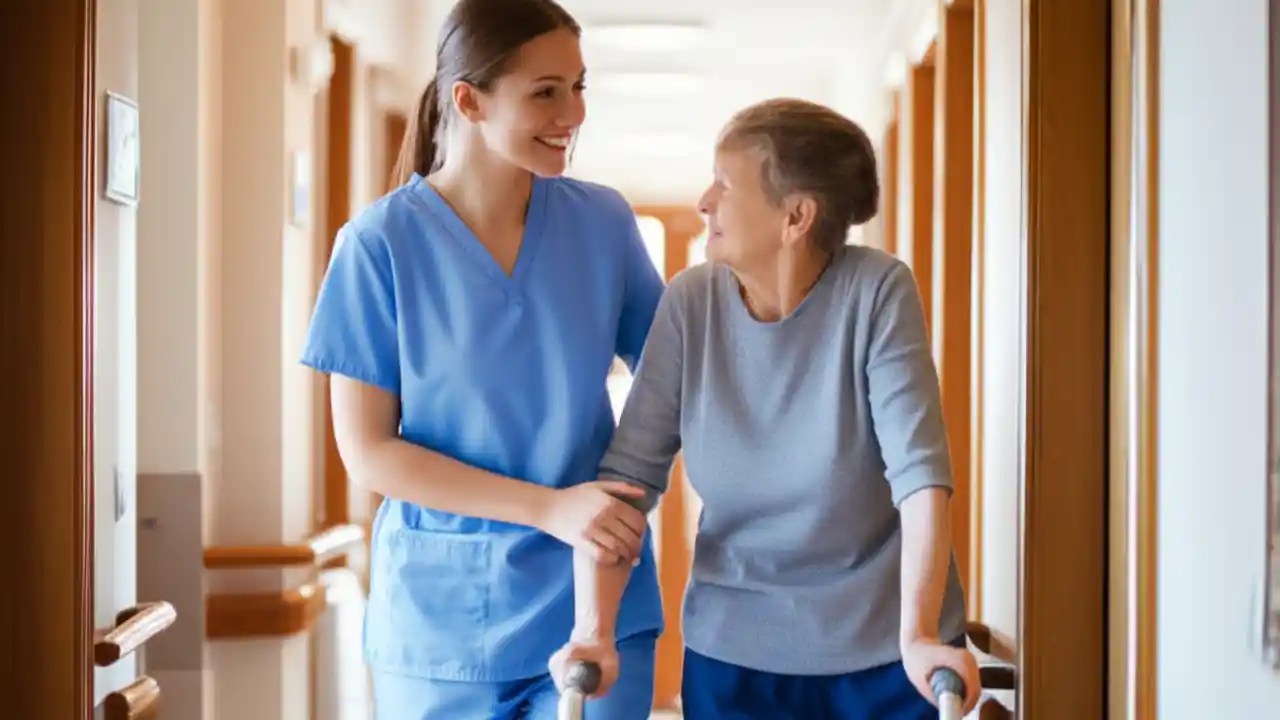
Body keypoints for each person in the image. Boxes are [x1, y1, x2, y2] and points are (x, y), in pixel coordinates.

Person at [552, 98, 982, 718]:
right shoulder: (690, 303)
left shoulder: (877, 291)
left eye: (725, 184)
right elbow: (627, 481)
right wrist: (593, 626)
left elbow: (920, 478)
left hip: (886, 655)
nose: (705, 201)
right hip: (735, 654)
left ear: (796, 216)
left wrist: (919, 634)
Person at [299, 1, 666, 717]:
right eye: (546, 91)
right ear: (467, 100)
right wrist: (548, 508)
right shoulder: (379, 246)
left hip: (594, 597)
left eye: (579, 86)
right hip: (442, 624)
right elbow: (369, 452)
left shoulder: (603, 225)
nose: (574, 112)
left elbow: (679, 377)